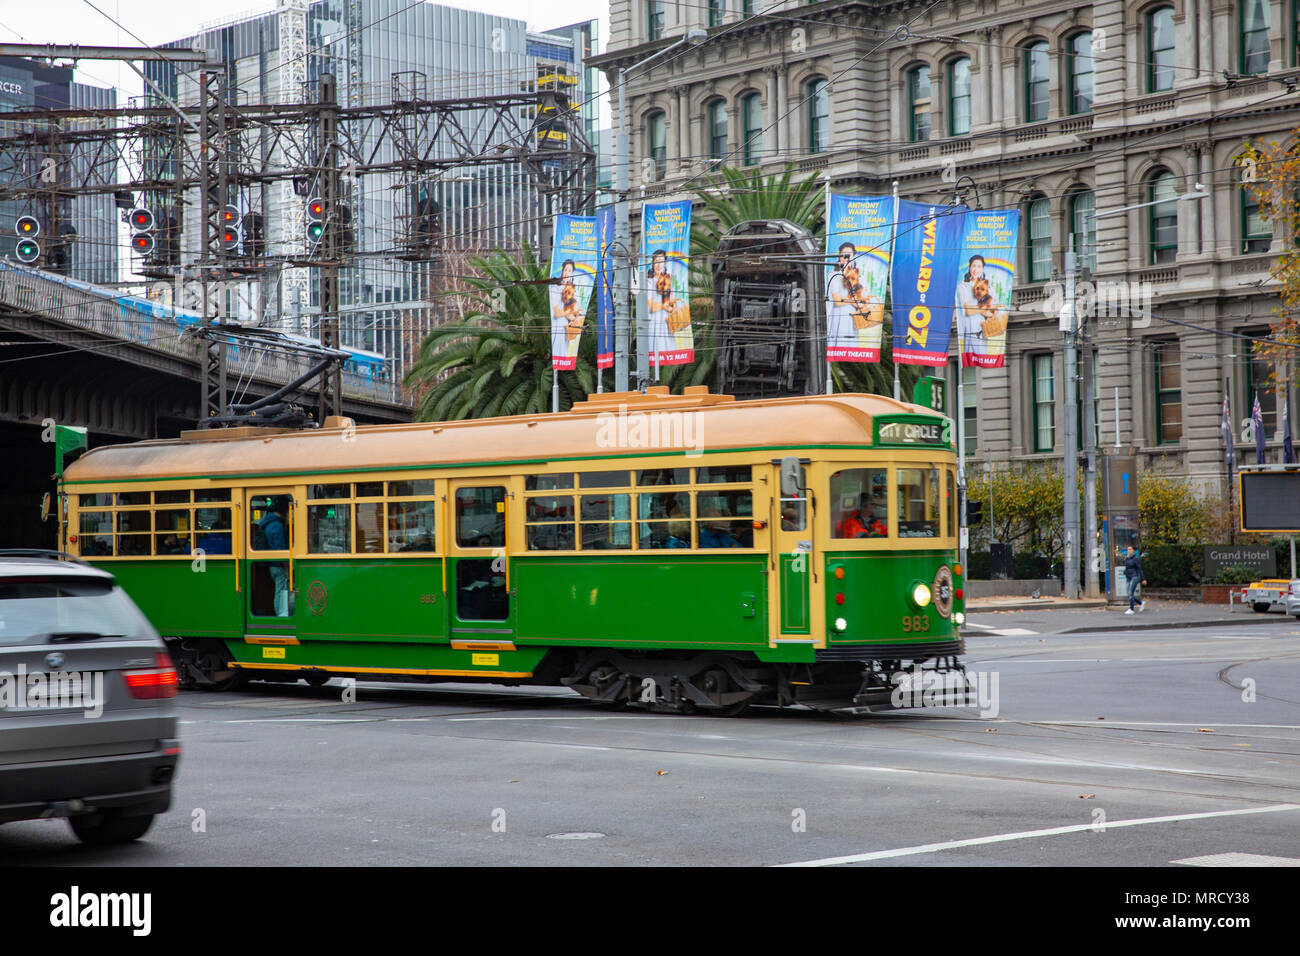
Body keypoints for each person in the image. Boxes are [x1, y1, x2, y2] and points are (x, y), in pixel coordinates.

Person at [258, 499, 290, 617]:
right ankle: (281, 615)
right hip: (278, 565)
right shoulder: (277, 525)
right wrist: (286, 567)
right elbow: (281, 548)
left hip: (271, 564)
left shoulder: (267, 523)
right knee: (281, 591)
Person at [550, 259, 583, 364]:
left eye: (569, 270)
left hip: (568, 329)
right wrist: (569, 313)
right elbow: (557, 313)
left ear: (572, 273)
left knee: (565, 355)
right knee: (558, 355)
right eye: (565, 270)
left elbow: (576, 309)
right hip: (557, 327)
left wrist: (573, 316)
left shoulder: (575, 290)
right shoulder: (555, 289)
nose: (566, 273)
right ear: (562, 271)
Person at [1124, 546, 1146, 614]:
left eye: (1130, 549)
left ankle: (1131, 609)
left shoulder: (1135, 559)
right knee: (1128, 593)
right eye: (1127, 549)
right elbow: (1127, 568)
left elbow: (1139, 569)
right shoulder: (1127, 558)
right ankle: (1141, 603)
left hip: (1134, 576)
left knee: (1130, 592)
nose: (1128, 550)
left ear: (1133, 550)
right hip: (1128, 577)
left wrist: (1143, 579)